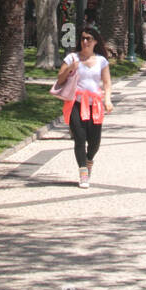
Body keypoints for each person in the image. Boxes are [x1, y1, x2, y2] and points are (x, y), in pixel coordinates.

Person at [54, 28, 113, 186]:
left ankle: (89, 160)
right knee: (79, 138)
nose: (84, 41)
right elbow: (60, 79)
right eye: (82, 39)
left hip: (94, 104)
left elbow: (107, 83)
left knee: (95, 142)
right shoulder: (72, 58)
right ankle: (83, 172)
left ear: (95, 42)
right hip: (75, 102)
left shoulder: (101, 61)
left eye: (88, 38)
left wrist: (107, 100)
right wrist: (70, 68)